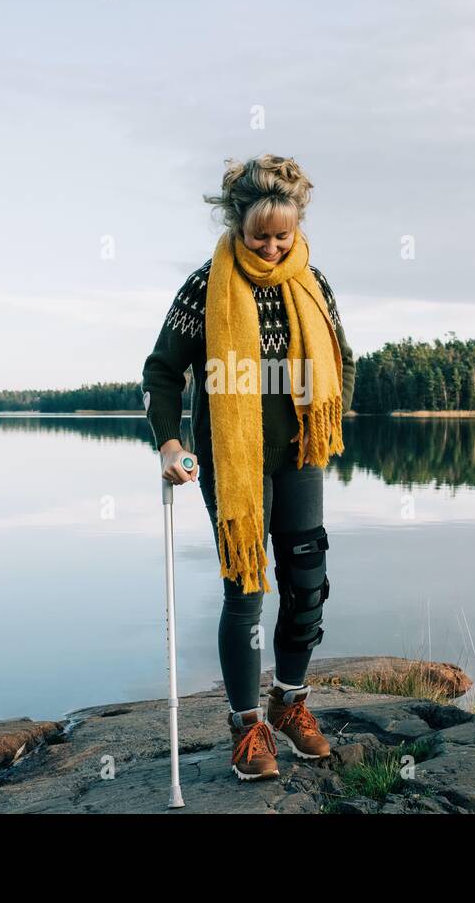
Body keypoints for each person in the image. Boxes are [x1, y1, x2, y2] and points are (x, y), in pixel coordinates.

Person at [141, 154, 355, 781]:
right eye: (258, 235)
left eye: (280, 236)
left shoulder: (314, 284)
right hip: (234, 461)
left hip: (298, 457)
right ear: (238, 224)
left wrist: (325, 415)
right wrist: (170, 444)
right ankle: (244, 726)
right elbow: (161, 370)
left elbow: (342, 360)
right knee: (247, 590)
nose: (268, 247)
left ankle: (289, 702)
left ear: (296, 229)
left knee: (307, 583)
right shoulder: (206, 286)